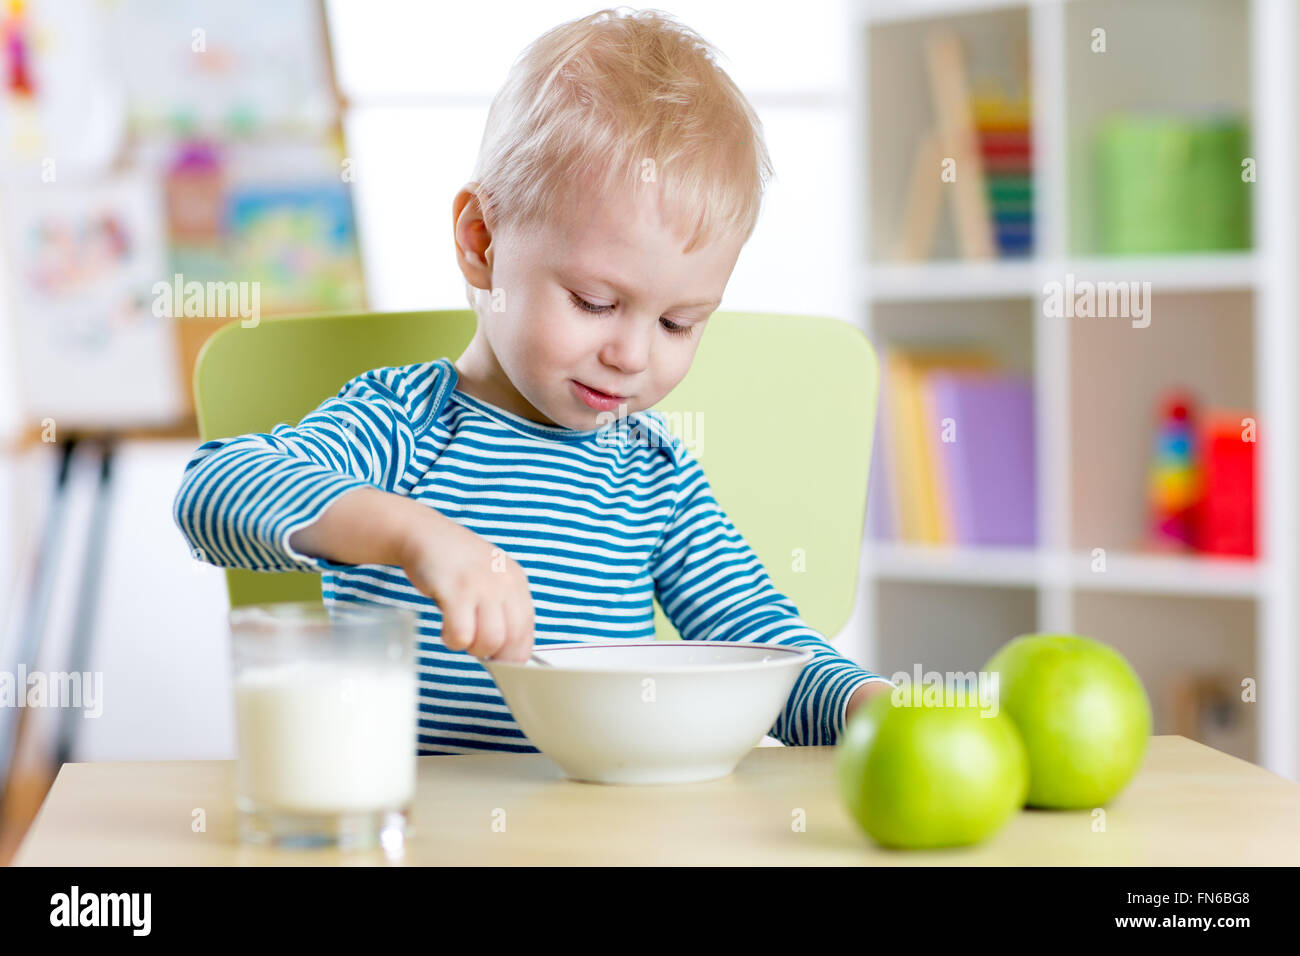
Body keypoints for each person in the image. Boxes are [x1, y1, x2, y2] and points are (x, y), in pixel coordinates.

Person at [173, 8, 893, 755]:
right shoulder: (403, 425)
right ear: (481, 243)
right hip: (408, 829)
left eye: (679, 323)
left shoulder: (654, 476)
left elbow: (760, 640)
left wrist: (869, 706)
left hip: (594, 833)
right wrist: (410, 533)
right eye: (595, 303)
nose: (633, 355)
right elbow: (213, 489)